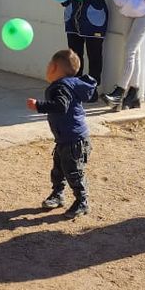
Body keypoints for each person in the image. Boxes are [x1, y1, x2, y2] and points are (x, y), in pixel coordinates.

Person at [26, 49, 96, 218]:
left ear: (55, 67)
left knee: (74, 172)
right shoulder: (70, 84)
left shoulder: (61, 87)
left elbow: (61, 106)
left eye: (49, 64)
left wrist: (39, 106)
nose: (47, 68)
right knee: (59, 170)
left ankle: (82, 201)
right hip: (66, 138)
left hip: (73, 140)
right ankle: (57, 194)